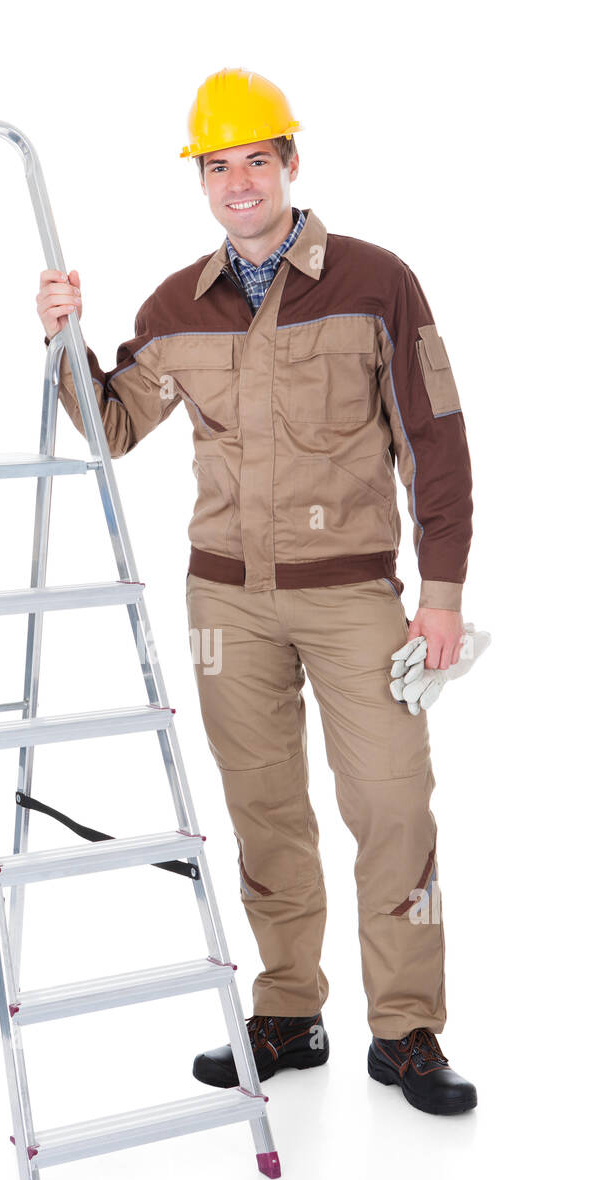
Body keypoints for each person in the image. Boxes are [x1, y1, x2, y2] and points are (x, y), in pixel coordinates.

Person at [35, 67, 477, 1116]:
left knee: (391, 806)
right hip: (224, 604)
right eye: (217, 164)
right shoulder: (172, 305)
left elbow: (435, 437)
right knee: (263, 807)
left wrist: (443, 589)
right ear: (200, 178)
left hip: (355, 600)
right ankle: (286, 1009)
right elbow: (108, 429)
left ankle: (406, 1030)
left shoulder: (375, 282)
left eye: (254, 160)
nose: (237, 182)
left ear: (289, 163)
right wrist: (61, 339)